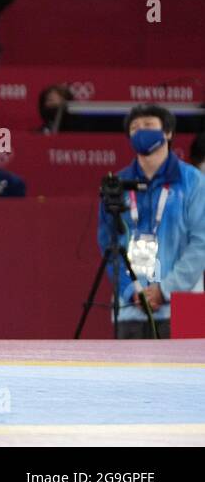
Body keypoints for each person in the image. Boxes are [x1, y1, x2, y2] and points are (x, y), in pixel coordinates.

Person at [98, 105, 205, 339]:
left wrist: (165, 290)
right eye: (135, 128)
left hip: (185, 303)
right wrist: (130, 290)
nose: (141, 132)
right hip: (131, 308)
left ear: (167, 132)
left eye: (148, 125)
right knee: (129, 375)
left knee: (188, 376)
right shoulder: (117, 185)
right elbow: (109, 244)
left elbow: (201, 244)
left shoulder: (194, 182)